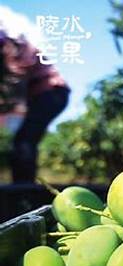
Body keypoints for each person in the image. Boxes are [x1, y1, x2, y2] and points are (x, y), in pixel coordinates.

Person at [0, 6, 69, 183]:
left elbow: (17, 80)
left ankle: (24, 190)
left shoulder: (18, 47)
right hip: (42, 95)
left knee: (24, 140)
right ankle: (23, 186)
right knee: (24, 139)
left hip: (52, 93)